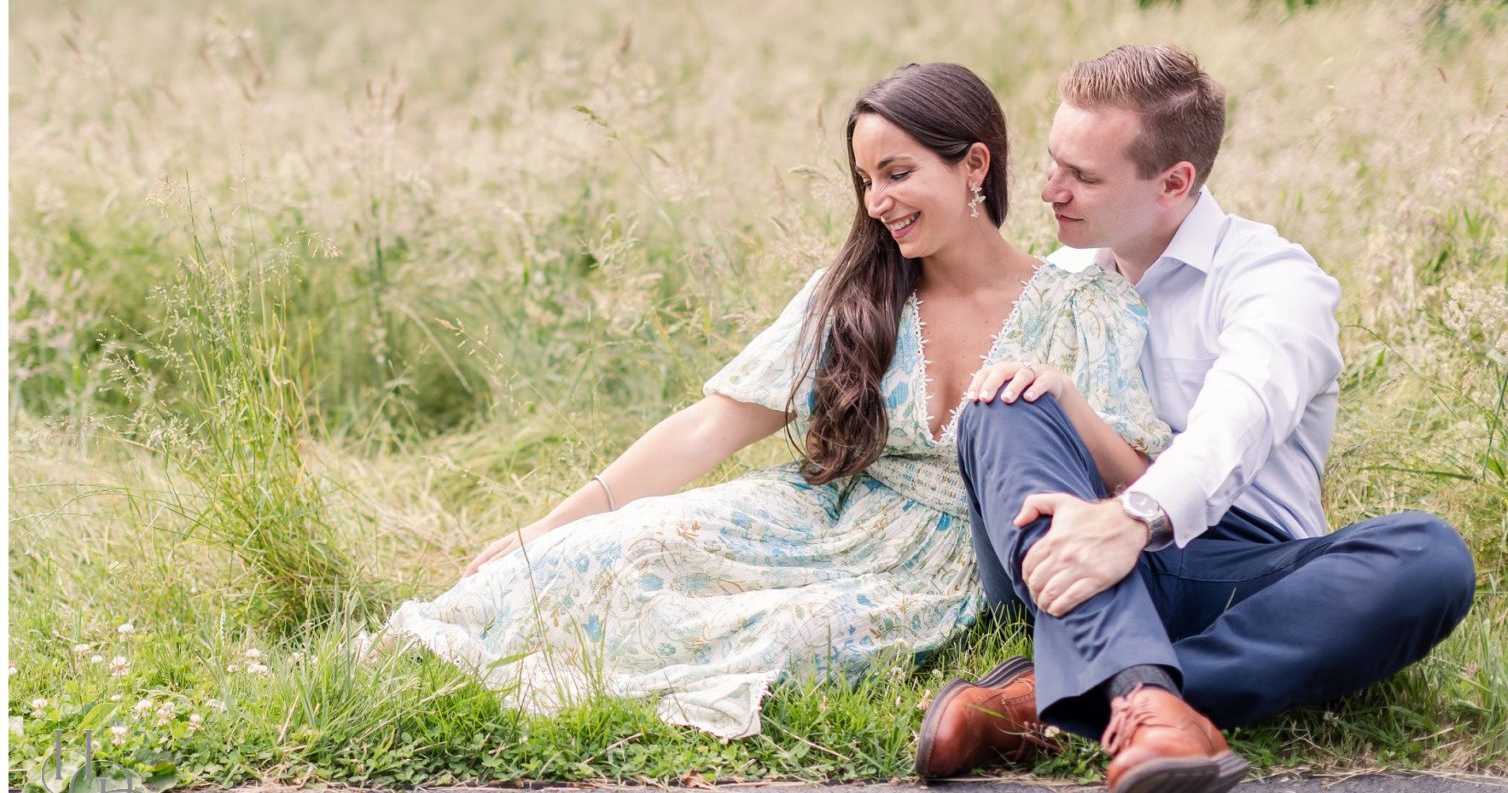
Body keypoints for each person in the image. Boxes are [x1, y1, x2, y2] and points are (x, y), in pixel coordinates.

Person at [352, 62, 1171, 740]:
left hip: (949, 563)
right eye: (865, 181)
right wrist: (546, 530)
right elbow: (709, 427)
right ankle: (451, 640)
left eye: (897, 173)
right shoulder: (856, 292)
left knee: (777, 632)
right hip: (825, 514)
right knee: (626, 546)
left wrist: (1063, 395)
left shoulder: (1081, 306)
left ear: (975, 166)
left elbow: (1135, 475)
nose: (877, 201)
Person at [914, 45, 1477, 793]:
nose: (1048, 190)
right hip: (1063, 548)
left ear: (1174, 183)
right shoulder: (1066, 276)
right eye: (1052, 162)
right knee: (1003, 402)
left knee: (1431, 557)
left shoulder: (1272, 281)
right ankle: (1143, 703)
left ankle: (1068, 695)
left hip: (1236, 566)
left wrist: (1134, 518)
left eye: (1084, 176)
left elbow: (1232, 426)